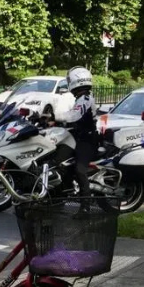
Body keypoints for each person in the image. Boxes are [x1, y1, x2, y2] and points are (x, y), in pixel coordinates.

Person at [52, 66, 98, 210]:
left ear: (75, 81)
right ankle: (59, 196)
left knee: (80, 169)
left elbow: (74, 116)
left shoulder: (86, 99)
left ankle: (85, 206)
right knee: (58, 161)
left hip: (87, 140)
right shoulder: (80, 99)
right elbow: (71, 116)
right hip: (76, 138)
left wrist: (55, 117)